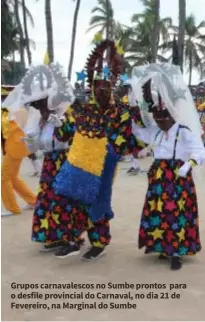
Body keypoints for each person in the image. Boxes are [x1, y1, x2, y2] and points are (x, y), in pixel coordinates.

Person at [53, 39, 130, 260]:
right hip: (78, 163)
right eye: (98, 86)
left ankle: (99, 243)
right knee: (71, 199)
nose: (102, 90)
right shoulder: (83, 110)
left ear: (112, 86)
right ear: (92, 87)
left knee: (97, 200)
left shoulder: (120, 111)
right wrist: (59, 124)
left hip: (104, 163)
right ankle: (74, 240)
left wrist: (111, 148)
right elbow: (64, 134)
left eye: (106, 86)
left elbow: (125, 139)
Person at [131, 63, 205, 270]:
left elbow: (200, 152)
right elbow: (139, 134)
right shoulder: (157, 131)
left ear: (172, 116)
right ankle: (162, 246)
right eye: (157, 119)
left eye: (163, 119)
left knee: (176, 214)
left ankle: (176, 252)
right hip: (158, 178)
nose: (159, 122)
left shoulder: (183, 131)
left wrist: (188, 165)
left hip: (177, 177)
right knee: (158, 212)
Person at [15, 63, 87, 252]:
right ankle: (53, 236)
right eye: (38, 106)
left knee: (66, 201)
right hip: (49, 164)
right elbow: (40, 146)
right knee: (48, 201)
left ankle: (72, 237)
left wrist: (59, 125)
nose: (41, 109)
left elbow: (71, 135)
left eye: (42, 105)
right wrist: (31, 141)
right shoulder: (41, 121)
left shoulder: (66, 115)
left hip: (65, 162)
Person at [1, 107, 37, 216]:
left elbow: (15, 128)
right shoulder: (7, 109)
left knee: (4, 177)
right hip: (13, 146)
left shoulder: (19, 109)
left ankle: (12, 208)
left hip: (16, 146)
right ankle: (32, 200)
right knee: (13, 177)